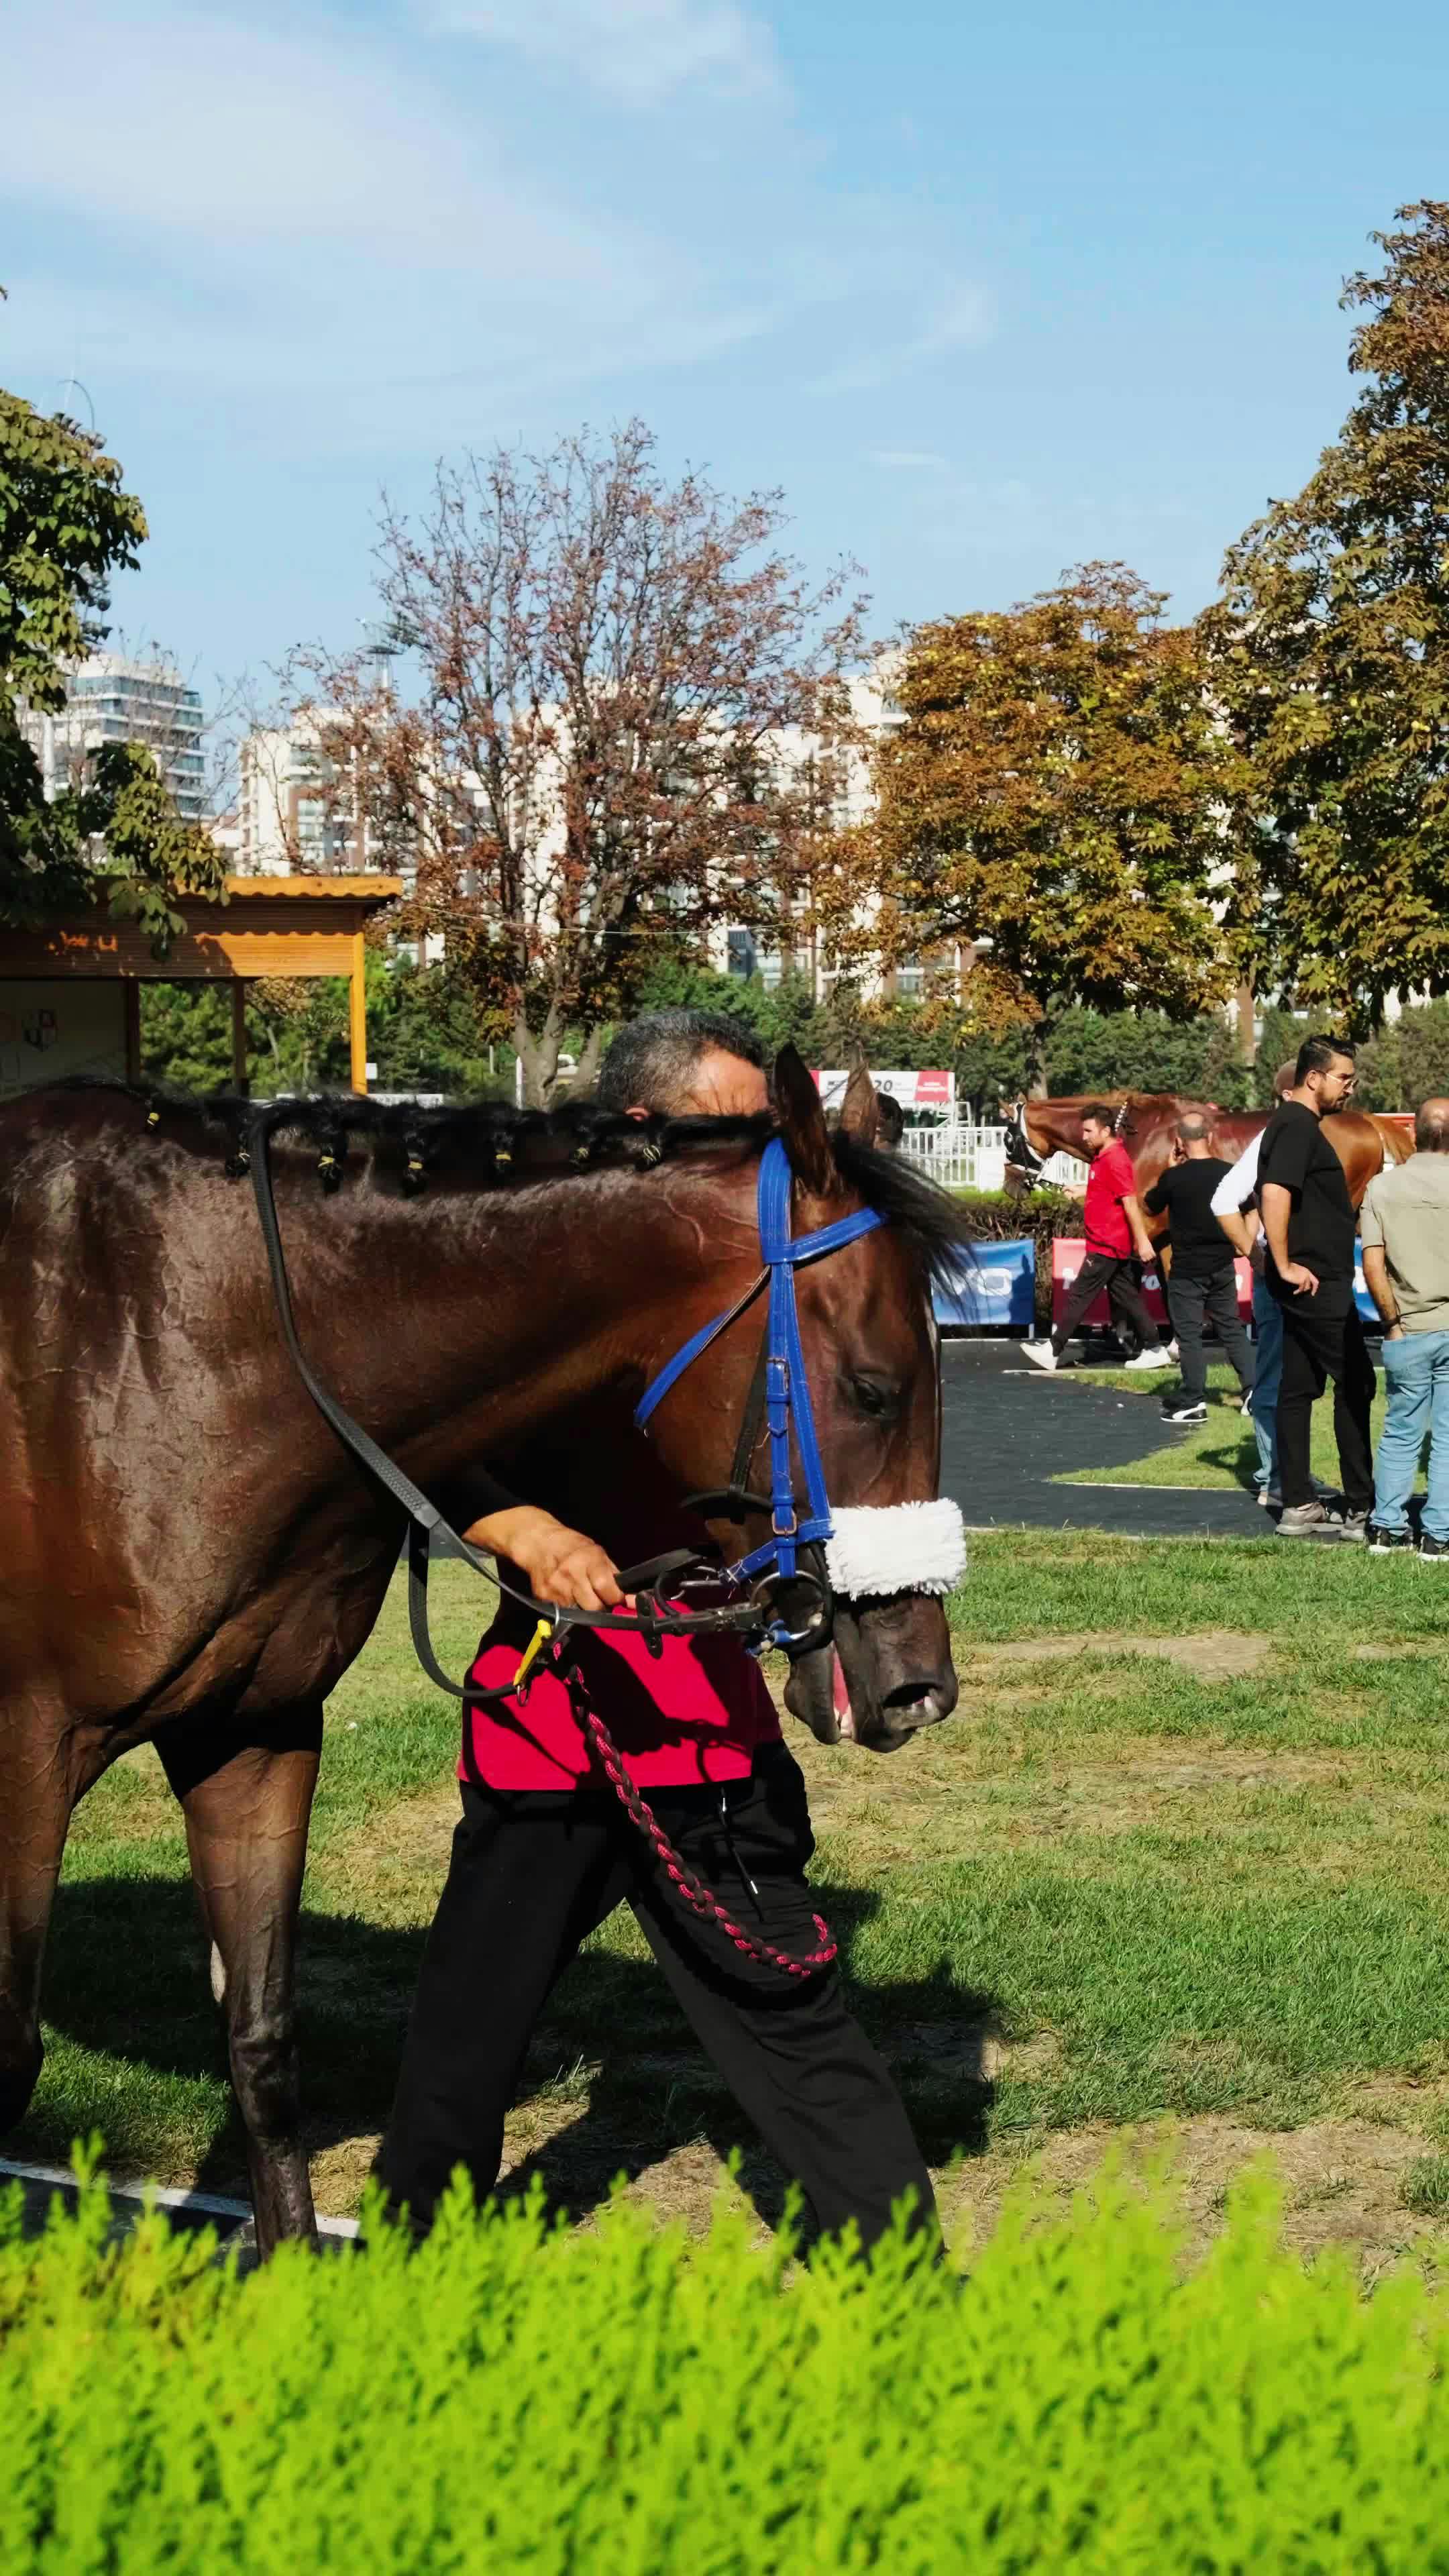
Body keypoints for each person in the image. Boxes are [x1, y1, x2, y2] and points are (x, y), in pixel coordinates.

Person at [376, 1009, 936, 2252]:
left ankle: (901, 2280)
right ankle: (411, 2260)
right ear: (642, 1128)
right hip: (550, 1722)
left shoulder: (748, 1289)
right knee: (468, 2030)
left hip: (700, 1724)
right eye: (735, 1131)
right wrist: (523, 1528)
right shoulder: (527, 1275)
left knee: (790, 2010)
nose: (761, 1159)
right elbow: (414, 1425)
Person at [1256, 1036, 1374, 1542]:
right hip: (1314, 1284)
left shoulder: (1297, 1126)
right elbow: (1274, 1192)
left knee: (1298, 1388)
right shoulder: (1296, 1125)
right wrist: (1283, 1264)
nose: (1350, 1087)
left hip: (1313, 1282)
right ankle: (1361, 1507)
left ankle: (1299, 1505)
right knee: (1358, 1382)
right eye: (1343, 1078)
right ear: (1313, 1078)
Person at [1359, 1097, 1449, 1560]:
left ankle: (1386, 1527)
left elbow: (1372, 1264)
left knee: (1400, 1431)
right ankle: (1438, 1534)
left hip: (1408, 1326)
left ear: (1413, 1133)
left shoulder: (1382, 1187)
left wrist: (1391, 1322)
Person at [1020, 1104, 1171, 1373]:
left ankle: (1053, 1350)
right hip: (1108, 1243)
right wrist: (1083, 1190)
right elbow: (1108, 1188)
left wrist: (1143, 1241)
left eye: (1089, 1131)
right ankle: (1155, 1348)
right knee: (1129, 1298)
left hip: (1107, 1244)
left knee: (1079, 1296)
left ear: (1106, 1131)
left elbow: (1129, 1202)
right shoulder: (1104, 1157)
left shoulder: (1116, 1159)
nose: (1084, 1137)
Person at [1211, 1063, 1297, 1505]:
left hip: (1301, 1274)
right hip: (1284, 1277)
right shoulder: (1270, 1139)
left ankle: (1289, 1477)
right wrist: (1259, 1257)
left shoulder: (1300, 1135)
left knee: (1295, 1382)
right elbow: (1224, 1199)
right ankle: (1275, 1478)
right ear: (1291, 1093)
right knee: (1275, 1378)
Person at [1142, 1115, 1255, 1425]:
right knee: (1231, 1328)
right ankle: (1252, 1392)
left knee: (1189, 1336)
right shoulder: (1229, 1173)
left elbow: (1150, 1206)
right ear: (1210, 1136)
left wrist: (1169, 1169)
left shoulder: (1173, 1177)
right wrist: (1244, 1245)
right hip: (1222, 1265)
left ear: (1179, 1141)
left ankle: (1194, 1401)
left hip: (1187, 1270)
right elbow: (1252, 1208)